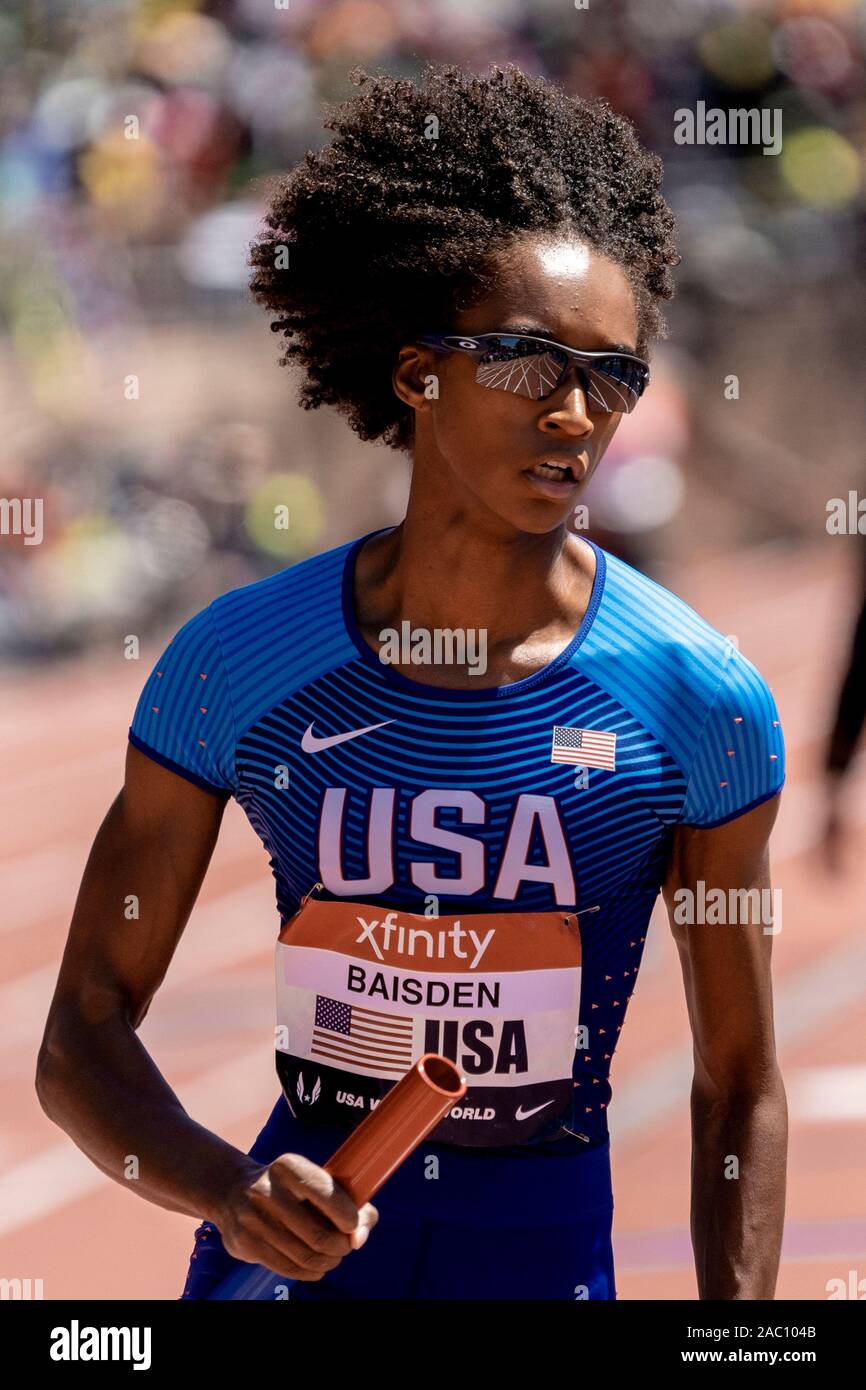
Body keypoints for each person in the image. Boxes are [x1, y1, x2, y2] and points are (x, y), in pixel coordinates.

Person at [37, 65, 787, 1301]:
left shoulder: (694, 700)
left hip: (540, 1261)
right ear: (414, 372)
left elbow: (741, 1082)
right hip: (286, 1264)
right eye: (524, 360)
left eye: (612, 375)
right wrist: (224, 1190)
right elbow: (81, 1037)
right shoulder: (239, 663)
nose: (573, 410)